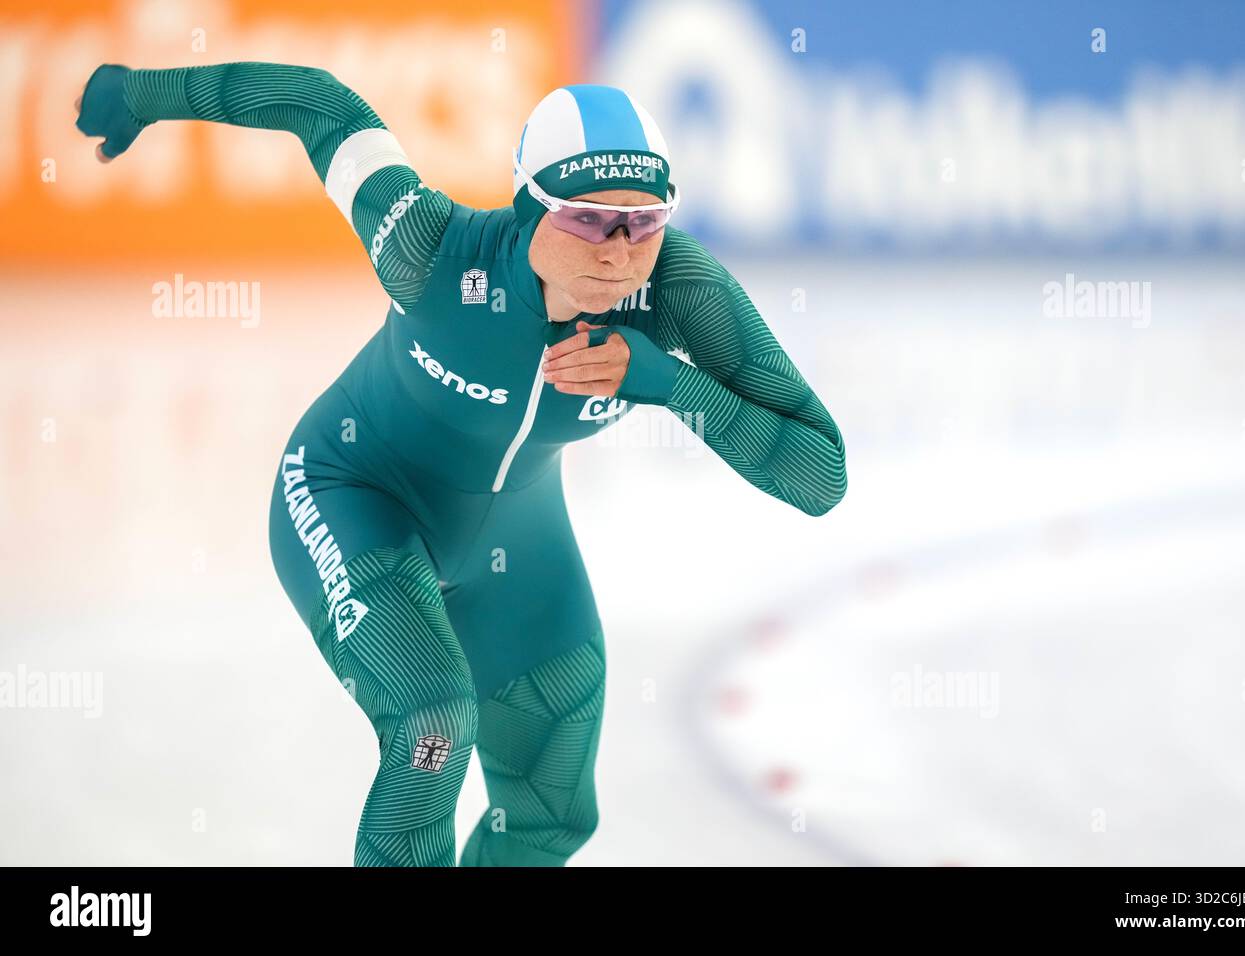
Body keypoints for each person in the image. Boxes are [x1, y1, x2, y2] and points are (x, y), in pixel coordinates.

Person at [75, 61, 847, 866]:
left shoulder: (679, 291)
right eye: (587, 220)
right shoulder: (431, 251)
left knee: (548, 815)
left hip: (520, 543)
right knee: (430, 726)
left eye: (645, 222)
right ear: (528, 208)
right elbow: (321, 106)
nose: (620, 253)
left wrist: (669, 382)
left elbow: (822, 475)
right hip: (355, 493)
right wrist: (141, 95)